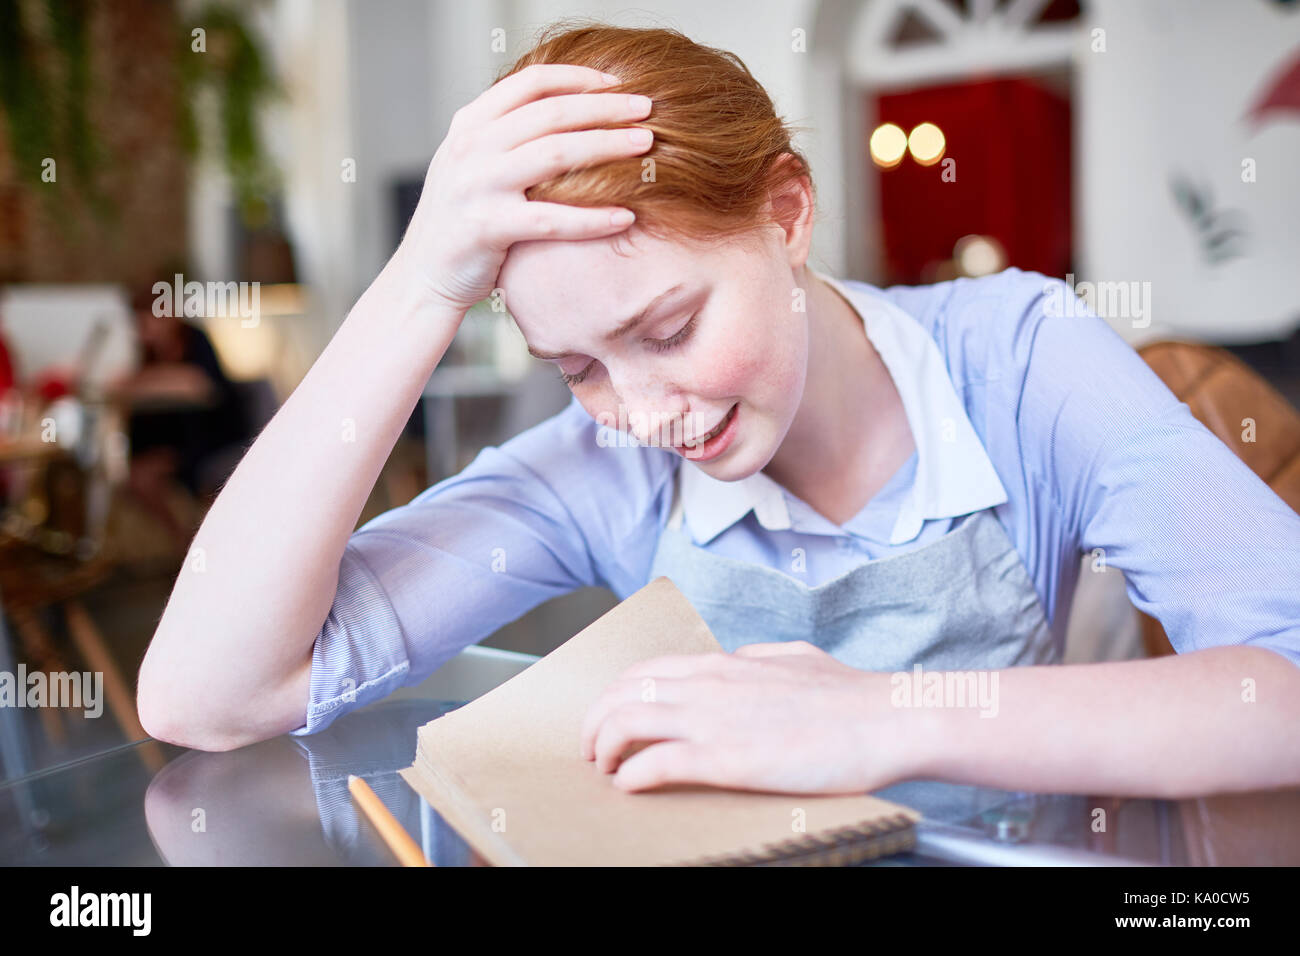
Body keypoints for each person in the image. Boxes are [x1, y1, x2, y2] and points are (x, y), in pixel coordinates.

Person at [138, 23, 1300, 799]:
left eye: (666, 329)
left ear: (786, 215)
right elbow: (206, 692)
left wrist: (880, 718)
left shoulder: (1019, 356)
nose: (644, 411)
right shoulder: (598, 469)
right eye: (578, 366)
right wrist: (418, 283)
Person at [111, 286, 251, 552]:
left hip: (214, 441)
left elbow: (201, 385)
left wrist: (144, 383)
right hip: (176, 447)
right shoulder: (147, 355)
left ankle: (220, 550)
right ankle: (185, 545)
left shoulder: (196, 340)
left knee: (215, 486)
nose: (145, 328)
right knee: (137, 478)